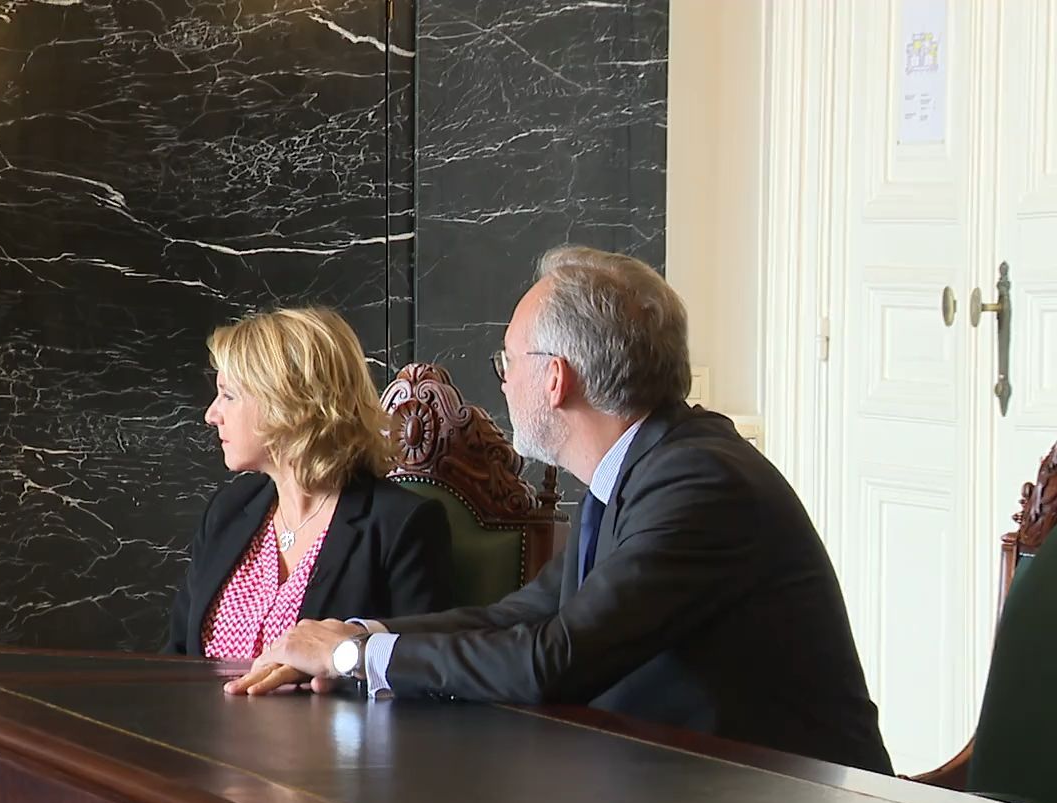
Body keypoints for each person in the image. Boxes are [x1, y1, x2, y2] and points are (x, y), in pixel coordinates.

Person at [227, 248, 893, 774]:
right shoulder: (647, 465)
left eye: (508, 360)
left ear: (556, 377)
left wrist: (355, 660)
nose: (504, 380)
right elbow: (526, 613)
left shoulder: (699, 483)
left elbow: (554, 660)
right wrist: (360, 634)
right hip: (701, 800)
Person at [167, 307, 451, 658]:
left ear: (286, 403)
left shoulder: (400, 525)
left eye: (228, 395)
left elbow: (414, 670)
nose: (211, 415)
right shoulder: (228, 509)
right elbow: (177, 654)